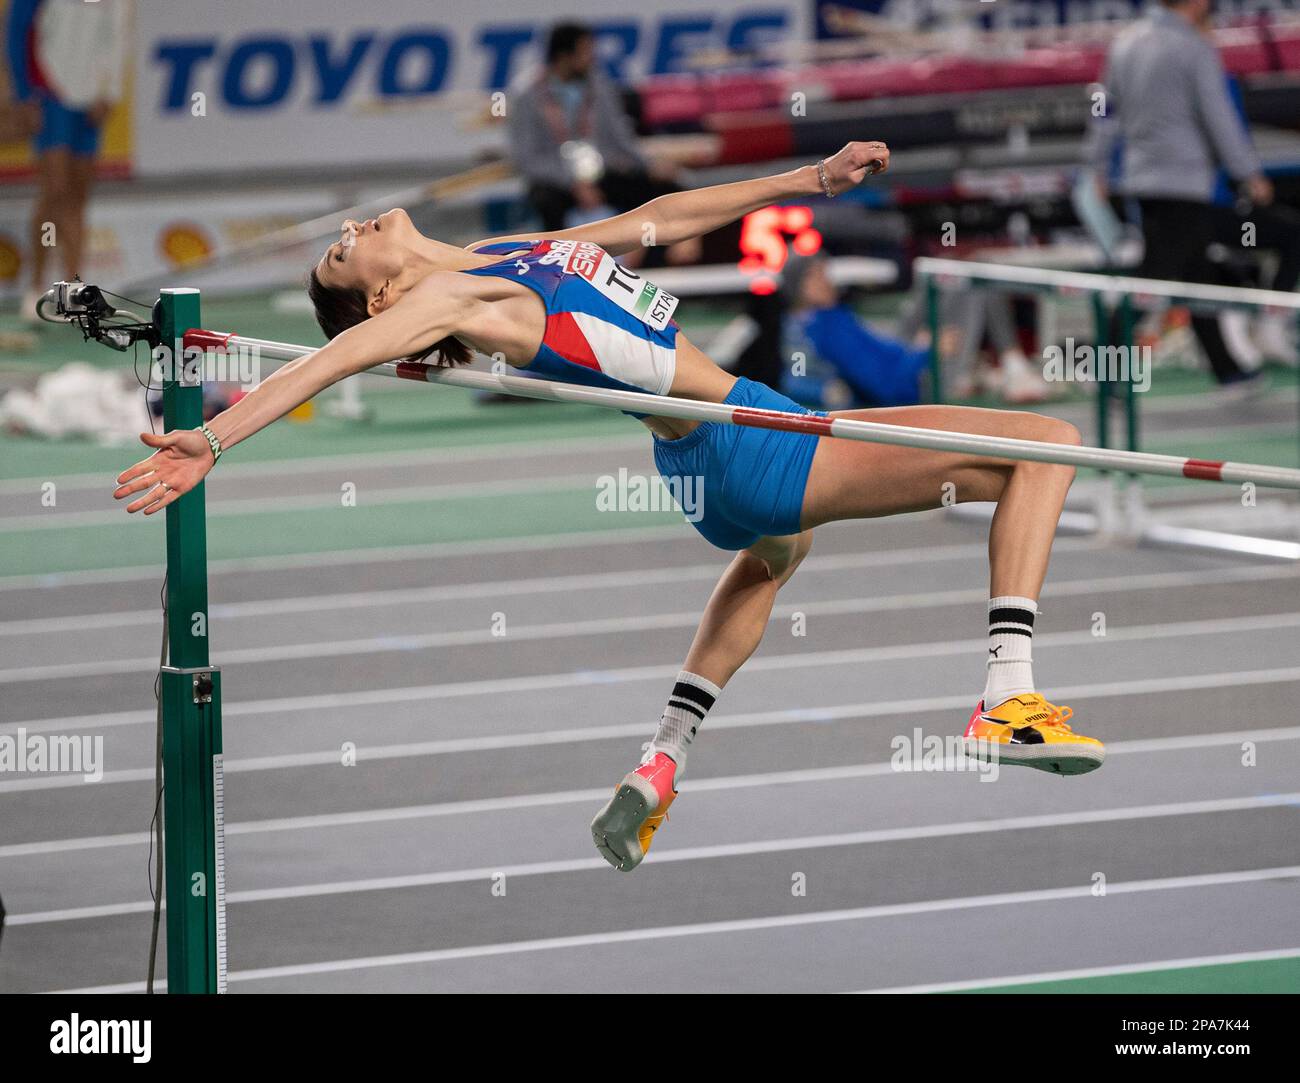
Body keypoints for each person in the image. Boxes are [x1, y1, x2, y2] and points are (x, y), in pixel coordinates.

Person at [113, 140, 1103, 874]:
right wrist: (214, 437)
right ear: (377, 301)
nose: (347, 232)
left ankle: (662, 761)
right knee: (1045, 446)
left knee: (773, 556)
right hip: (747, 438)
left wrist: (805, 180)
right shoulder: (445, 306)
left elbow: (660, 221)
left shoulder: (500, 255)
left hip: (699, 471)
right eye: (340, 258)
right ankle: (1004, 696)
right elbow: (331, 361)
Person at [1087, 0, 1298, 384]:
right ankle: (1101, 370)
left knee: (1194, 275)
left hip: (1141, 182)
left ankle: (1228, 370)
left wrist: (1097, 164)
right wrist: (1249, 172)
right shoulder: (1192, 47)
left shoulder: (1124, 43)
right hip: (1182, 184)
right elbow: (1218, 116)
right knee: (1154, 277)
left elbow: (1103, 110)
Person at [505, 21, 700, 267]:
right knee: (548, 203)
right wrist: (573, 183)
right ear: (564, 56)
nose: (592, 58)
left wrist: (649, 165)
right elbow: (526, 159)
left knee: (661, 189)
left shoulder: (599, 85)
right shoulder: (526, 95)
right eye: (586, 52)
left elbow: (621, 138)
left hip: (601, 174)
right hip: (556, 182)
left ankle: (653, 270)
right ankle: (555, 274)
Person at [4, 0, 130, 322]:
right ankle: (34, 287)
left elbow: (116, 34)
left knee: (78, 194)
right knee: (54, 190)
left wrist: (110, 92)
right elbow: (18, 32)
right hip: (50, 91)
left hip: (91, 96)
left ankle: (73, 290)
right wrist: (24, 96)